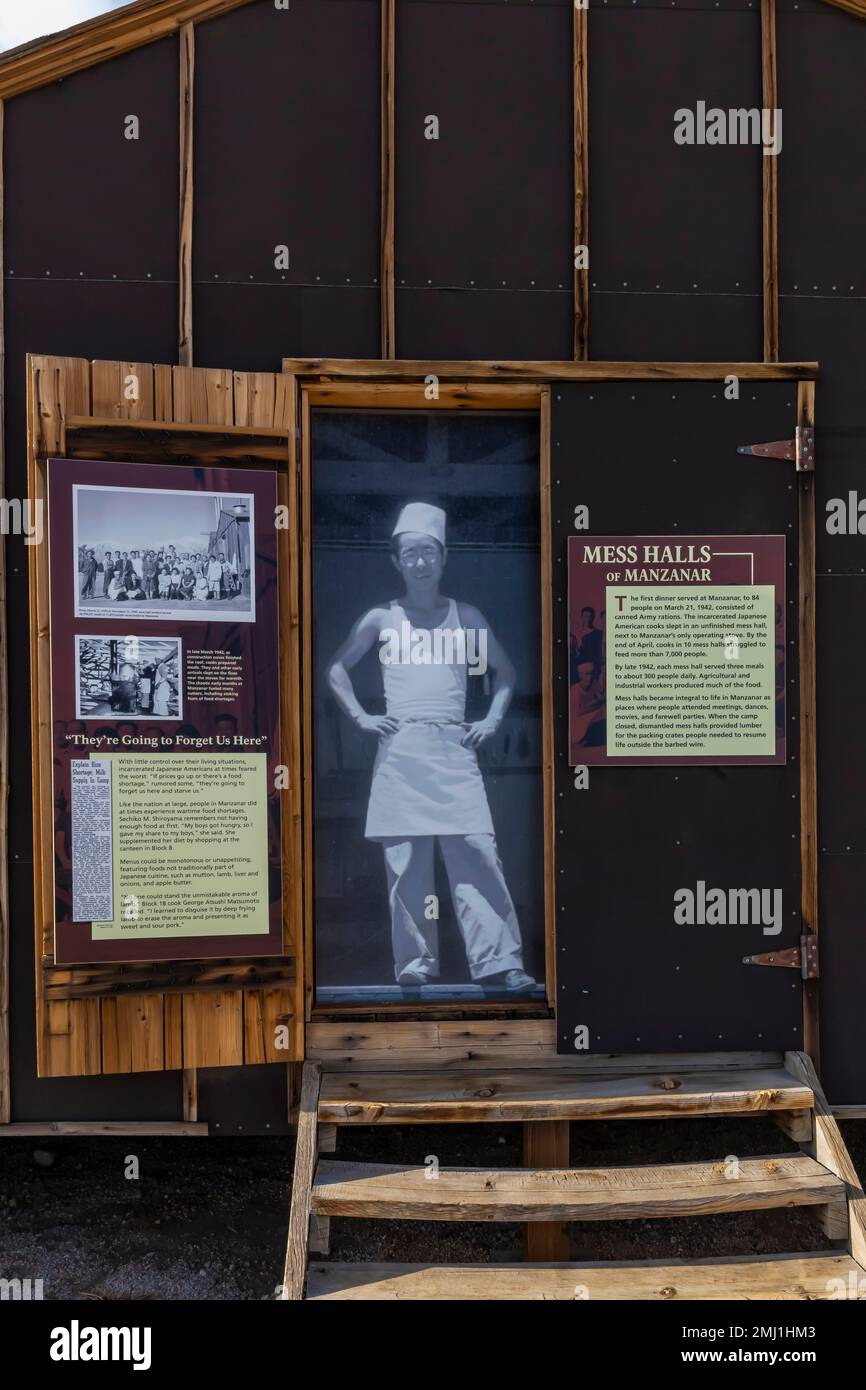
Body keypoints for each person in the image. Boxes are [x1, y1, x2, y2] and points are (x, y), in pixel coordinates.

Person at [325, 501, 536, 993]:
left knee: (478, 856)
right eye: (409, 553)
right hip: (401, 751)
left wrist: (491, 718)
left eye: (428, 552)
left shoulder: (466, 618)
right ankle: (416, 962)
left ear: (443, 558)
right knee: (408, 865)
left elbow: (505, 673)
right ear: (396, 562)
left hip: (453, 747)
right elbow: (336, 669)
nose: (419, 562)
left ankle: (502, 962)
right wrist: (361, 717)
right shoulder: (382, 619)